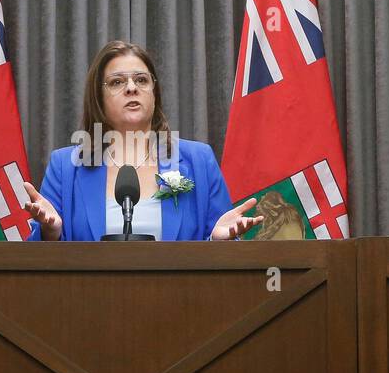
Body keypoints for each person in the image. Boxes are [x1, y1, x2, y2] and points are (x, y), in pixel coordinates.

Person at [22, 40, 263, 241]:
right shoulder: (66, 166)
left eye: (141, 80)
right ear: (99, 97)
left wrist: (218, 241)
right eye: (117, 82)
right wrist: (49, 233)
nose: (131, 88)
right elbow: (40, 264)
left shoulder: (198, 160)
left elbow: (225, 251)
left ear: (154, 93)